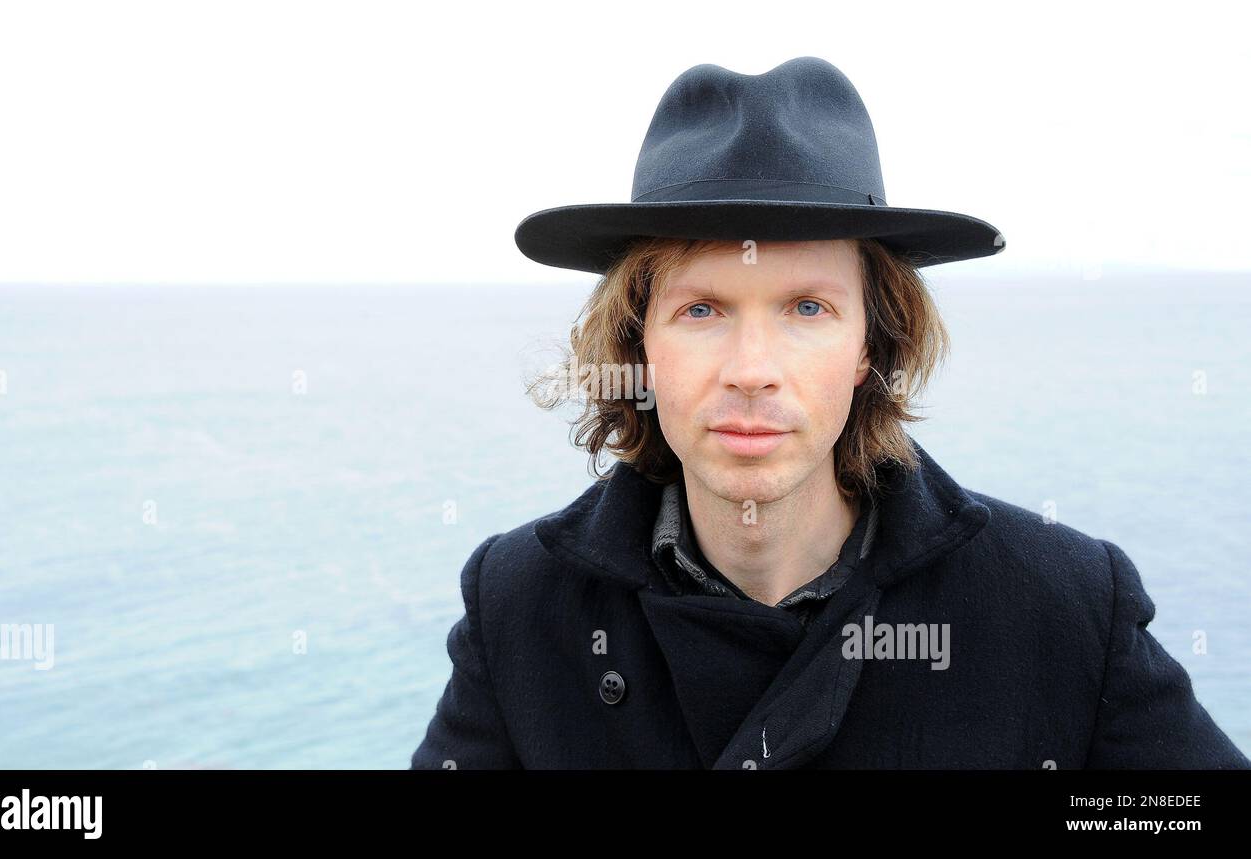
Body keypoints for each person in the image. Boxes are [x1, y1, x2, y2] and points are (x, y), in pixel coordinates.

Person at [410, 57, 1249, 769]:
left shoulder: (1060, 605)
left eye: (807, 308)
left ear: (869, 348)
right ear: (638, 347)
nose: (751, 371)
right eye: (702, 309)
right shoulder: (519, 607)